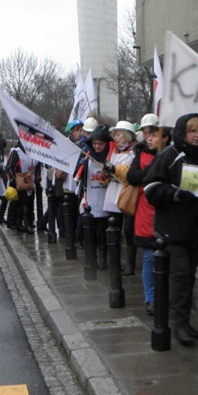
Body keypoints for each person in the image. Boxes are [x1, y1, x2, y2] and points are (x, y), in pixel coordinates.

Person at [143, 113, 198, 345]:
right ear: (183, 133)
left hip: (197, 231)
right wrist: (176, 194)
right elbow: (151, 188)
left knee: (188, 278)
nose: (197, 135)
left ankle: (179, 318)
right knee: (180, 277)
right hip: (172, 231)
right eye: (192, 131)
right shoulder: (169, 155)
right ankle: (179, 324)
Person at [127, 114, 170, 314]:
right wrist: (154, 170)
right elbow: (133, 176)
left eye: (152, 134)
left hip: (167, 211)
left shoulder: (172, 154)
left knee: (169, 259)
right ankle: (151, 297)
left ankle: (166, 294)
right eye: (146, 134)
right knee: (149, 258)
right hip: (146, 212)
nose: (149, 138)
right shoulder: (140, 154)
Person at [103, 120, 138, 275]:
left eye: (118, 135)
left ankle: (130, 264)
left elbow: (130, 173)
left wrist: (114, 169)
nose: (115, 138)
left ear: (126, 135)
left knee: (129, 231)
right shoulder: (114, 151)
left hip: (128, 195)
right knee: (114, 229)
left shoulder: (135, 152)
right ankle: (115, 261)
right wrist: (105, 174)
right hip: (113, 193)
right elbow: (106, 177)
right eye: (114, 135)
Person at [79, 125, 114, 269]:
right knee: (91, 233)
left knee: (103, 234)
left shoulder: (110, 157)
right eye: (95, 143)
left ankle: (103, 258)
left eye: (100, 144)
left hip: (106, 200)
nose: (97, 146)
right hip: (91, 201)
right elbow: (79, 178)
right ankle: (92, 258)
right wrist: (80, 167)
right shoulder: (87, 156)